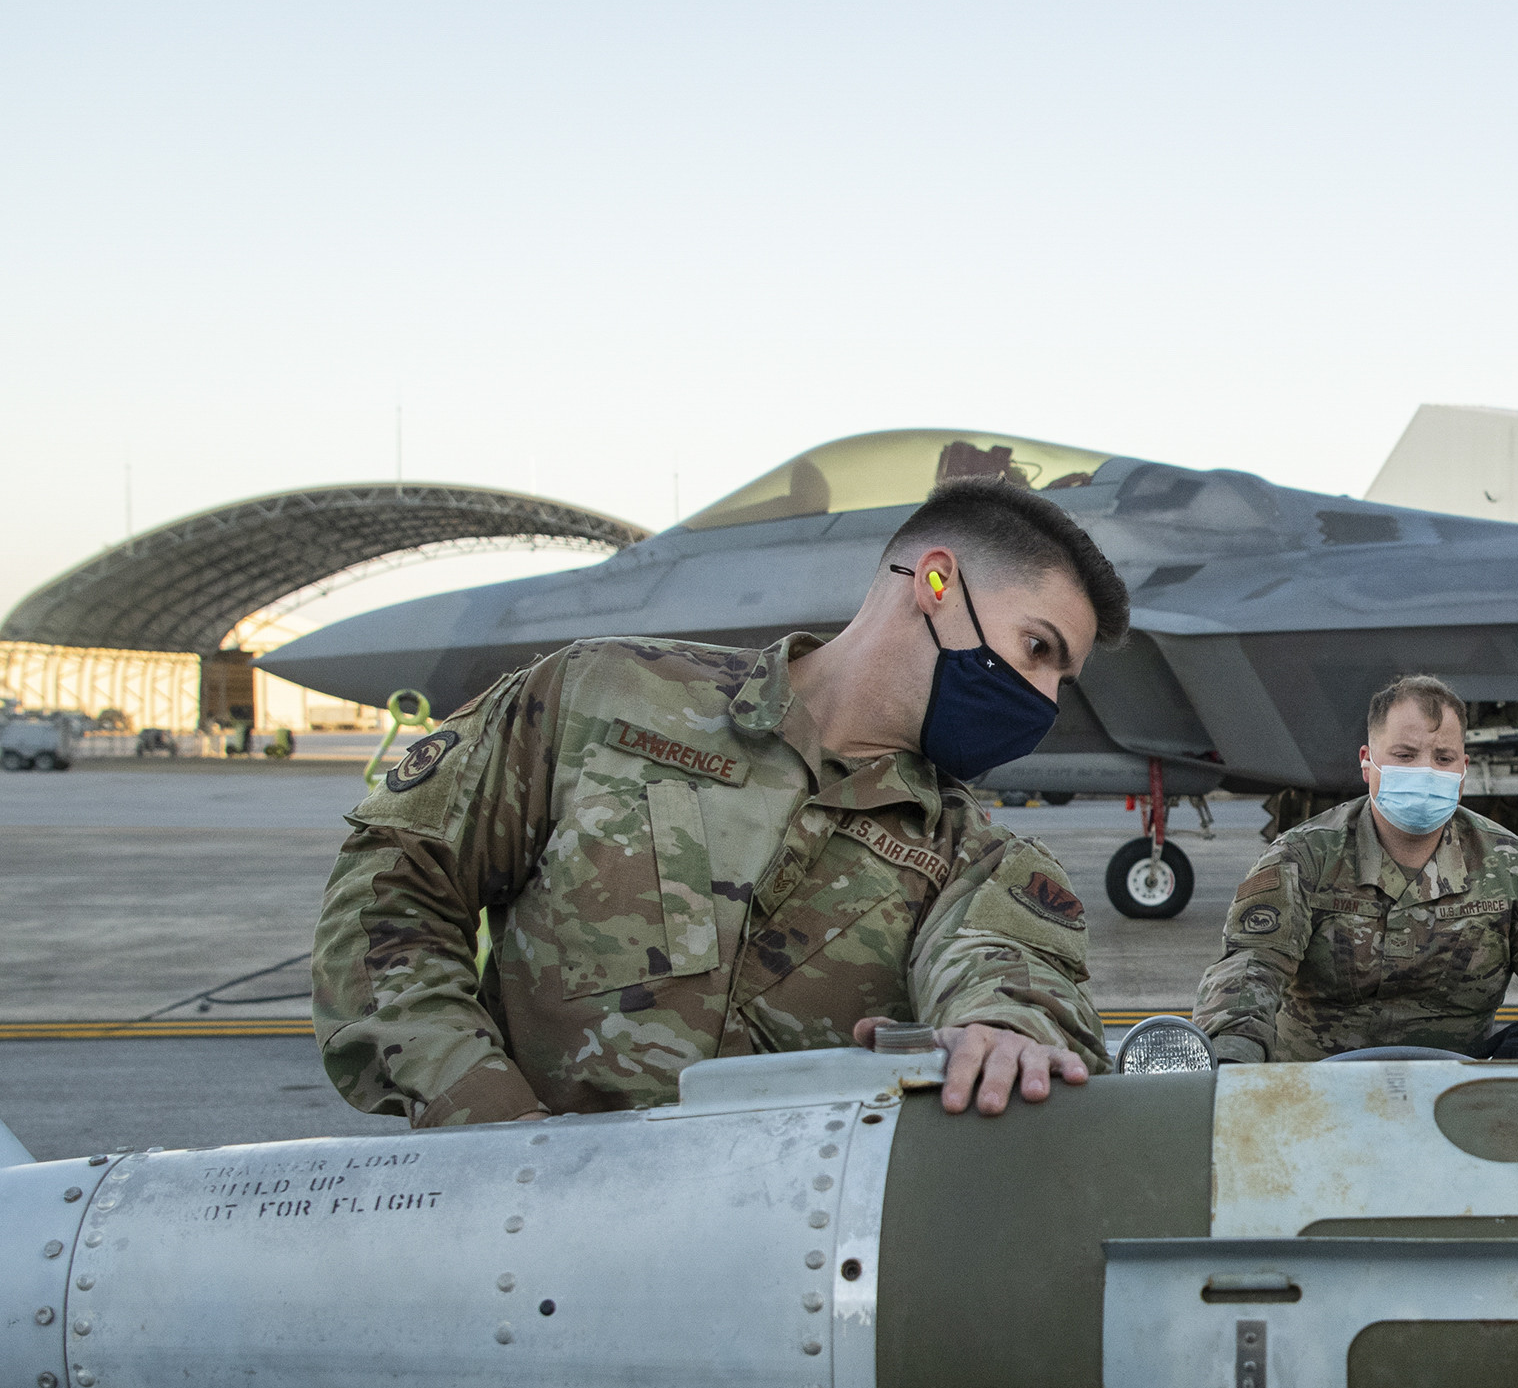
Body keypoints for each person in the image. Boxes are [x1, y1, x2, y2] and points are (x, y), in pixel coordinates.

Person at [313, 452, 1132, 1129]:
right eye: (1038, 649)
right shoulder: (597, 699)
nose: (1044, 701)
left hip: (786, 1250)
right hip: (518, 1228)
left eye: (1062, 679)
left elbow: (1011, 976)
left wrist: (1004, 1034)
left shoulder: (972, 857)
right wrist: (484, 1115)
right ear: (937, 583)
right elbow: (395, 886)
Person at [1193, 674, 1518, 1062]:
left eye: (1443, 758)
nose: (1425, 771)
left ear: (1463, 770)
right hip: (1314, 1090)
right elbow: (1249, 968)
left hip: (1453, 1093)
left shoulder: (1511, 866)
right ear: (1367, 761)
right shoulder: (1303, 858)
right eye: (1405, 754)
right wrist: (1234, 1058)